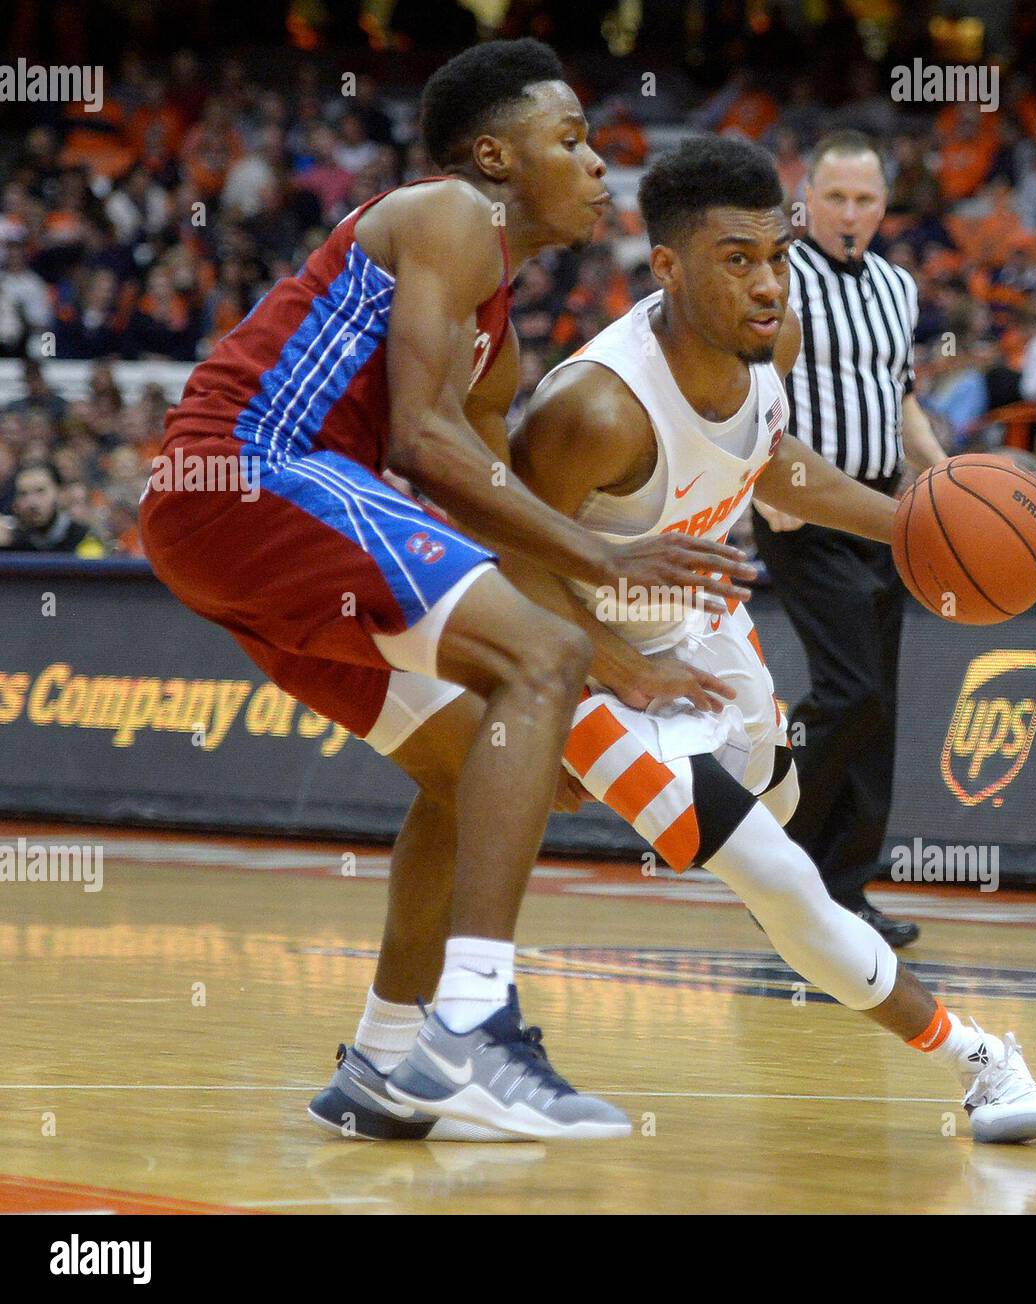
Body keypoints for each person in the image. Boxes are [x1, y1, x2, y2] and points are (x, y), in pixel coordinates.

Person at [327, 136, 1036, 1147]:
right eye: (735, 258)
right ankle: (979, 1057)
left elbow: (768, 460)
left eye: (776, 254)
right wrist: (605, 672)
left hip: (703, 629)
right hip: (578, 648)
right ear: (665, 266)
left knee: (732, 805)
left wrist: (910, 523)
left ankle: (377, 1052)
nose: (766, 283)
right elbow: (501, 555)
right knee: (779, 876)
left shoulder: (777, 337)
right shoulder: (595, 406)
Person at [139, 39, 753, 1142]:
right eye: (568, 139)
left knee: (488, 757)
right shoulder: (451, 214)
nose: (598, 162)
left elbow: (486, 509)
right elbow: (420, 445)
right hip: (251, 468)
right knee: (537, 672)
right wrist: (600, 571)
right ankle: (474, 1022)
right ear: (493, 156)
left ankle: (381, 1060)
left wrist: (607, 662)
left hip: (230, 531)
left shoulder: (497, 341)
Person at [752, 131, 947, 947]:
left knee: (881, 705)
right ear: (806, 199)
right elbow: (754, 385)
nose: (851, 214)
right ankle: (773, 851)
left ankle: (843, 893)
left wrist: (946, 479)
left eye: (866, 200)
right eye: (837, 198)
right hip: (804, 504)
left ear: (883, 206)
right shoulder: (780, 279)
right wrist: (769, 480)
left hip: (883, 510)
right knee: (851, 690)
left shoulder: (898, 287)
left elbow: (896, 397)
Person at [0, 462, 106, 555]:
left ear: (60, 494)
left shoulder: (84, 539)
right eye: (23, 494)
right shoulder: (11, 540)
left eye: (40, 491)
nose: (32, 503)